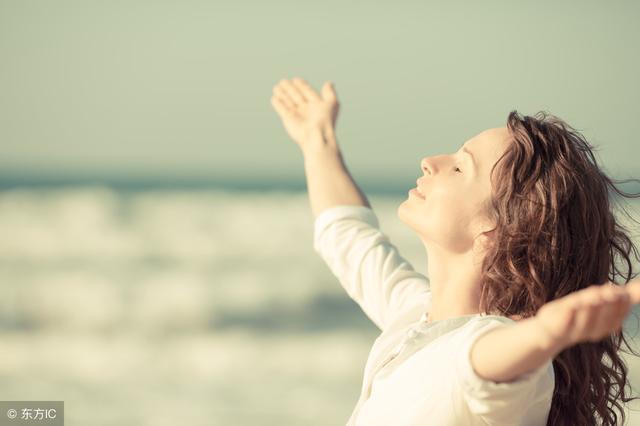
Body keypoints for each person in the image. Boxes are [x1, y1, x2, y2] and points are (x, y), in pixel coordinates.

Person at [270, 77, 640, 425]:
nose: (430, 161)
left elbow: (490, 360)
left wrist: (546, 332)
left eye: (461, 167)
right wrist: (317, 141)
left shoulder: (499, 353)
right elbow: (349, 236)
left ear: (496, 230)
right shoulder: (416, 314)